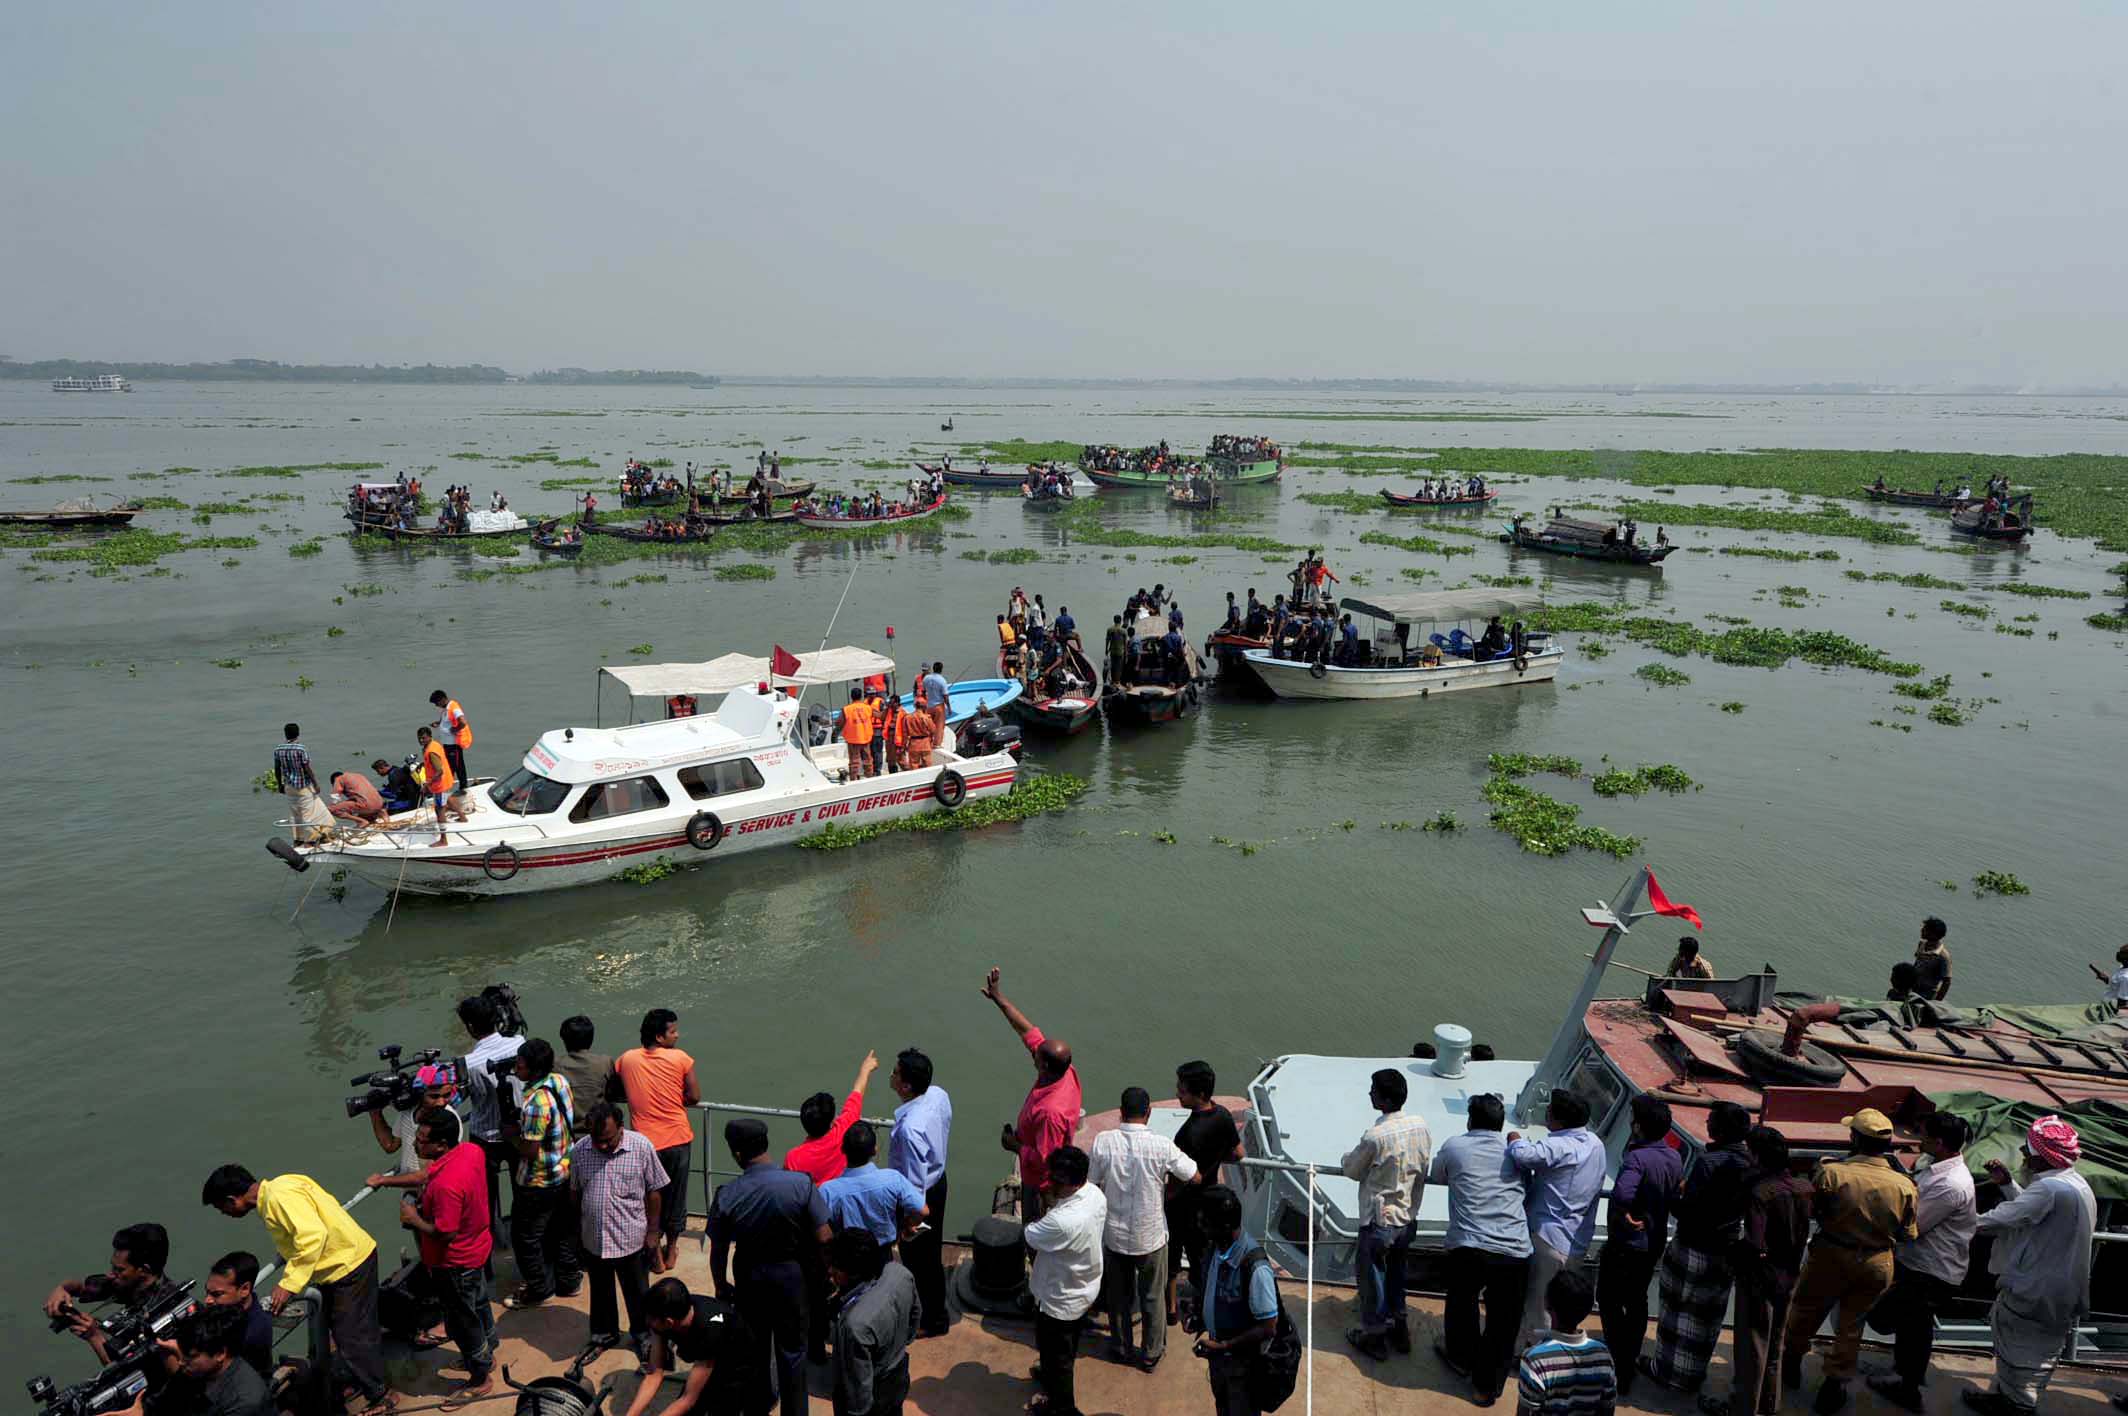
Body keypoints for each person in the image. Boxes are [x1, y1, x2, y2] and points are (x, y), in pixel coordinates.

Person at [200, 1165, 391, 1416]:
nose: (224, 1213)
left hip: (347, 1265)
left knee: (352, 1335)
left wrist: (288, 1284)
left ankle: (382, 1396)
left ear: (231, 1199)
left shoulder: (278, 1200)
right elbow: (321, 1211)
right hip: (345, 1257)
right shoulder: (284, 1183)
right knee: (343, 1331)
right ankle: (356, 1380)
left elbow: (312, 1236)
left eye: (221, 1208)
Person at [1778, 1108, 1918, 1415]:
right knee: (1852, 1324)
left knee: (1805, 1310)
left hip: (1831, 1254)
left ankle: (1790, 1362)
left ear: (1854, 1138)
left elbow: (1814, 1211)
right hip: (1876, 1262)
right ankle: (1835, 1384)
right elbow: (1908, 1233)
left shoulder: (1833, 1173)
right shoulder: (1904, 1185)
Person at [1965, 1115, 2097, 1416]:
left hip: (2035, 1287)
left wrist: (1957, 1224)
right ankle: (2013, 1398)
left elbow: (2005, 1217)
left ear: (2040, 1158)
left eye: (2026, 1153)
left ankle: (2017, 1405)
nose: (2023, 1158)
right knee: (2038, 1350)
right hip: (2060, 1288)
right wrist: (2008, 1183)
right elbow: (2031, 1210)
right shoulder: (2072, 1183)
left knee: (2018, 1344)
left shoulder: (2050, 1189)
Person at [709, 1118, 831, 1416]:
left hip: (750, 1278)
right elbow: (825, 1236)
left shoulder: (727, 1194)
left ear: (737, 1154)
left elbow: (718, 1249)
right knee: (793, 1352)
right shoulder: (801, 1183)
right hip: (791, 1278)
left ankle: (759, 1404)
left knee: (755, 1349)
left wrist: (721, 1285)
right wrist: (823, 1274)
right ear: (765, 1144)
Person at [1864, 1111, 1978, 1412]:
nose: (1919, 1140)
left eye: (1924, 1135)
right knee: (1912, 1325)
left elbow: (1913, 1226)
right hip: (1921, 1264)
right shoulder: (1938, 1168)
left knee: (1897, 1321)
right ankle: (1904, 1377)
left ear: (1938, 1142)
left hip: (1931, 1270)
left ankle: (1909, 1388)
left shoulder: (1951, 1184)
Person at [1701, 1125, 1814, 1416]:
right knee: (1775, 1344)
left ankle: (1743, 1408)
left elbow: (1755, 1242)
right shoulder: (1805, 1188)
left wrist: (1735, 1255)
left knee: (1752, 1347)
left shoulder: (1760, 1193)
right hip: (1790, 1275)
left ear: (1756, 1155)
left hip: (1761, 1277)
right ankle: (1769, 1404)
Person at [1643, 1100, 1753, 1393]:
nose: (1707, 1124)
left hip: (1694, 1245)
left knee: (1676, 1311)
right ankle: (1694, 1374)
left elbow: (1690, 1210)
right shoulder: (1750, 1162)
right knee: (1706, 1317)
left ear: (1721, 1129)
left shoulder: (1708, 1163)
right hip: (1726, 1247)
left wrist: (1670, 1196)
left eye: (1711, 1120)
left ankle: (1668, 1374)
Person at [1432, 1092, 1533, 1406]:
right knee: (1504, 1323)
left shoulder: (1454, 1146)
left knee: (1462, 1304)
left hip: (1470, 1245)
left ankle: (1461, 1359)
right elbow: (1527, 1184)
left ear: (1470, 1120)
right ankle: (1486, 1389)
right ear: (1501, 1124)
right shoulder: (1516, 1151)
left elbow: (1438, 1176)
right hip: (1515, 1248)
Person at [1087, 1087, 1197, 1369]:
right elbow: (1193, 1175)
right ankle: (1151, 1352)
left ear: (1121, 1112)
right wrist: (1168, 1190)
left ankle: (1121, 1347)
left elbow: (1092, 1183)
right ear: (1148, 1113)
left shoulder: (1103, 1142)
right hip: (1150, 1235)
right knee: (1152, 1296)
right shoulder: (1162, 1146)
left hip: (1114, 1234)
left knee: (1118, 1297)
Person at [398, 1110, 495, 1407]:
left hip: (455, 1263)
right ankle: (486, 1352)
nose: (415, 1144)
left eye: (421, 1140)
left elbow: (444, 1233)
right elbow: (429, 1173)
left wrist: (414, 1218)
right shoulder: (470, 1151)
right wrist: (386, 1181)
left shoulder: (445, 1186)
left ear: (440, 1145)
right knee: (478, 1304)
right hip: (478, 1247)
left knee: (462, 1321)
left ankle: (479, 1377)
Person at [1340, 1068, 1432, 1361]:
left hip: (1379, 1221)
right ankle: (1399, 1328)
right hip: (1407, 1218)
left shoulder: (1375, 1137)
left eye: (1373, 1090)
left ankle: (1375, 1337)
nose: (1370, 1094)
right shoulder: (1421, 1126)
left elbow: (1353, 1170)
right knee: (1397, 1274)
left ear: (1383, 1099)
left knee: (1372, 1281)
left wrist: (1345, 1158)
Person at [1508, 1089, 1607, 1354]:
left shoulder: (1558, 1146)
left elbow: (1522, 1156)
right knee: (1561, 1304)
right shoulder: (1595, 1144)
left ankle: (1531, 1353)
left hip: (1549, 1238)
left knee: (1539, 1302)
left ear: (1557, 1119)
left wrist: (1514, 1138)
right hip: (1576, 1239)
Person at [982, 967, 1081, 1225]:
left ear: (1045, 1065)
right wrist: (999, 999)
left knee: (1036, 1231)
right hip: (1046, 1150)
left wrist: (1013, 1145)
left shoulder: (1050, 1113)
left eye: (1036, 1056)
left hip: (1041, 1184)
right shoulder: (1064, 1071)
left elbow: (1044, 1160)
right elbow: (1028, 1032)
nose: (1032, 1053)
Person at [1599, 1095, 1683, 1395]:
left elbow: (1622, 1194)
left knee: (1608, 1298)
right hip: (1653, 1242)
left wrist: (1625, 1214)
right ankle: (1629, 1359)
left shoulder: (1636, 1157)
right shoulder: (1674, 1156)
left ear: (1639, 1126)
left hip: (1626, 1243)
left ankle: (1617, 1358)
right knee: (1636, 1301)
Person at [571, 1102, 666, 1358]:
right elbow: (575, 1192)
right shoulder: (580, 1150)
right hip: (594, 1238)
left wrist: (653, 1232)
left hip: (631, 1238)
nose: (601, 1145)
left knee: (638, 1292)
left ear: (621, 1128)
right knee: (600, 1292)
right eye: (596, 1139)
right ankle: (603, 1335)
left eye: (607, 1140)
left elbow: (654, 1191)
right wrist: (577, 1232)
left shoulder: (641, 1147)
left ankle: (644, 1336)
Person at [1023, 1145, 1106, 1416]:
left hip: (1059, 1300)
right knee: (1063, 1349)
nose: (1049, 1183)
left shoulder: (1061, 1220)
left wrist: (1045, 1205)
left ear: (1068, 1182)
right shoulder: (1094, 1194)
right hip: (1083, 1285)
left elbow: (1032, 1235)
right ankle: (1050, 1375)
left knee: (1058, 1356)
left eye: (1054, 1180)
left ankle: (1062, 1407)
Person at [617, 1008, 700, 1274]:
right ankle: (672, 1247)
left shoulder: (627, 1059)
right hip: (677, 1139)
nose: (678, 1035)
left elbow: (615, 1087)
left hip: (643, 1143)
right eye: (673, 1031)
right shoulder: (681, 1059)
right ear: (659, 1037)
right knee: (676, 1195)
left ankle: (653, 1251)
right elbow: (695, 1096)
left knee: (648, 1198)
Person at [43, 1223, 185, 1367]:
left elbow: (128, 1373)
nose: (111, 1275)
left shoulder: (166, 1313)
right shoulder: (129, 1282)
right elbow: (84, 1288)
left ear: (144, 1270)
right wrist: (63, 1289)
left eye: (119, 1270)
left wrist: (94, 1336)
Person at [1194, 1184, 1280, 1416]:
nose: (1200, 1228)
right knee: (1223, 1407)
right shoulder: (1215, 1248)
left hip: (1243, 1368)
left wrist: (1224, 1346)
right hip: (1219, 1359)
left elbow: (1268, 1327)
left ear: (1225, 1226)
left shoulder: (1255, 1267)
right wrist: (1200, 1318)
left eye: (1205, 1224)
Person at [627, 1277, 769, 1416]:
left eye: (651, 1319)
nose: (647, 1321)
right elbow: (653, 1375)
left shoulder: (710, 1331)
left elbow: (688, 1400)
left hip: (738, 1366)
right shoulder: (667, 1312)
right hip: (707, 1359)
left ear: (669, 1323)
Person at [1170, 1061, 1244, 1328]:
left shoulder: (1189, 1134)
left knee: (1177, 1255)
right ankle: (1203, 1302)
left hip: (1185, 1205)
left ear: (1198, 1094)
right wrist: (1213, 1161)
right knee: (1204, 1256)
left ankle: (1178, 1309)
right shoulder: (1222, 1115)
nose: (1177, 1093)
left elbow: (1182, 1179)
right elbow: (1238, 1154)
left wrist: (1166, 1197)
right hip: (1209, 1200)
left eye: (1182, 1089)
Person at [509, 1039, 581, 1310]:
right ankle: (569, 1281)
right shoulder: (560, 1082)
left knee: (525, 1237)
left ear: (532, 1067)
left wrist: (511, 1136)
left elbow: (529, 1151)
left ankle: (539, 1289)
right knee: (562, 1230)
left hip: (538, 1180)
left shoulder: (536, 1103)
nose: (516, 1067)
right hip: (564, 1170)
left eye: (520, 1063)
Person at [886, 1047, 952, 1338]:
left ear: (906, 1085)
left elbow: (914, 1183)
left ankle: (932, 1320)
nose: (891, 1074)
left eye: (895, 1072)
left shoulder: (909, 1130)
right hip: (938, 1182)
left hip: (920, 1196)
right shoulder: (938, 1094)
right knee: (931, 1255)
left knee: (918, 1260)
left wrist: (911, 1222)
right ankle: (934, 1313)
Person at [825, 1231, 919, 1416]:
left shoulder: (855, 1324)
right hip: (898, 1375)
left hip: (875, 1392)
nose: (830, 1271)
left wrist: (855, 1411)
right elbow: (915, 1316)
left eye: (836, 1267)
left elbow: (858, 1385)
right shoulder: (899, 1273)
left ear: (853, 1273)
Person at [456, 993, 523, 1251]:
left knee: (486, 1198)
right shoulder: (519, 1043)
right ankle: (520, 1237)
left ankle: (496, 1241)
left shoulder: (469, 1063)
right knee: (521, 1189)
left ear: (471, 1027)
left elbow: (462, 1096)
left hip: (485, 1136)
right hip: (517, 1131)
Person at [1516, 1267, 1617, 1416]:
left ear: (1547, 1305)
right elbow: (1607, 1407)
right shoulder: (1603, 1354)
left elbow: (1525, 1411)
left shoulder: (1534, 1359)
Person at [820, 1122, 929, 1256]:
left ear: (843, 1150)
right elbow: (923, 1211)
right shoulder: (893, 1179)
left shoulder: (828, 1191)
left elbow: (822, 1232)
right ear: (875, 1150)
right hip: (882, 1254)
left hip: (846, 1258)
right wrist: (906, 1227)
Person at [154, 1307, 274, 1416]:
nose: (181, 1362)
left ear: (220, 1354)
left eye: (190, 1356)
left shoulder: (244, 1403)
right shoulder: (200, 1369)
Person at [787, 1049, 880, 1185]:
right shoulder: (844, 1129)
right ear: (832, 1122)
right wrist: (866, 1069)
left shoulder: (793, 1158)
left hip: (815, 1204)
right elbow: (857, 1092)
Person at [364, 1063, 464, 1189]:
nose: (441, 1102)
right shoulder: (408, 1112)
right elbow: (391, 1145)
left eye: (446, 1095)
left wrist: (383, 1180)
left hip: (434, 1192)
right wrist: (375, 1112)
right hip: (411, 1190)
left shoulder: (448, 1121)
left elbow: (426, 1175)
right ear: (421, 1094)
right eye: (434, 1096)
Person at [201, 1252, 276, 1378]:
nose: (207, 1300)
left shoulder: (253, 1332)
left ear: (245, 1289)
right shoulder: (223, 1312)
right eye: (207, 1292)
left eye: (217, 1294)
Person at [557, 1014, 626, 1125]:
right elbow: (614, 1095)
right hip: (599, 1129)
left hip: (567, 1132)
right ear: (591, 1038)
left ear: (564, 1039)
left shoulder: (555, 1064)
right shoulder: (604, 1062)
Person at [272, 723, 330, 844]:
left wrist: (280, 785)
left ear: (285, 734)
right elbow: (306, 768)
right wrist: (315, 783)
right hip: (302, 786)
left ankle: (298, 839)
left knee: (295, 813)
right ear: (298, 733)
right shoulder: (300, 749)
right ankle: (311, 840)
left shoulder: (278, 749)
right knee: (308, 813)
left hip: (289, 786)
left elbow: (277, 769)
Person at [415, 726, 461, 847]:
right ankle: (462, 816)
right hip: (446, 780)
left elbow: (439, 771)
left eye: (423, 738)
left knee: (439, 809)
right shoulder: (434, 745)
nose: (421, 740)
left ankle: (443, 839)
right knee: (448, 799)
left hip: (439, 784)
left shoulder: (431, 752)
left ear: (430, 737)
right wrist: (422, 764)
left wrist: (427, 784)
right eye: (419, 738)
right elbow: (436, 762)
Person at [427, 689, 473, 789]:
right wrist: (438, 723)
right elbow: (446, 720)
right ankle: (456, 786)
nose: (436, 705)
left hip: (454, 745)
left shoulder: (454, 707)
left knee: (454, 767)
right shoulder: (446, 709)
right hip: (447, 745)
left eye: (436, 703)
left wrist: (455, 729)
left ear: (442, 699)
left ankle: (458, 787)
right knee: (454, 765)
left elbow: (463, 722)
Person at [1912, 918, 1953, 1001]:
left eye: (1925, 929)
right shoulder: (1922, 944)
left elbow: (1947, 981)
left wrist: (1937, 1002)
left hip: (1927, 996)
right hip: (1913, 990)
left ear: (1933, 934)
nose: (1922, 930)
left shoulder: (1943, 956)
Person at [841, 687, 873, 782]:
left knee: (854, 761)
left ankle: (853, 779)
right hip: (866, 737)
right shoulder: (867, 708)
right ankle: (870, 777)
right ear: (861, 696)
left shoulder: (846, 709)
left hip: (852, 739)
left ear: (851, 696)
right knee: (868, 760)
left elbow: (839, 722)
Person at [2090, 943, 2128, 1011]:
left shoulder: (2126, 977)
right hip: (2106, 1006)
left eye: (2122, 953)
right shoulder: (2123, 968)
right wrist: (2106, 979)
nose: (2118, 954)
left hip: (2110, 1010)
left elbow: (2122, 1004)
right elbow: (2118, 986)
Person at [921, 663, 950, 740]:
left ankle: (928, 740)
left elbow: (923, 692)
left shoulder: (926, 678)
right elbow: (945, 696)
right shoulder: (942, 680)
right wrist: (949, 707)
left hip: (929, 705)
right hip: (938, 706)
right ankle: (936, 743)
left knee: (929, 725)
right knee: (939, 726)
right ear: (941, 669)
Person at [1104, 615, 1130, 686]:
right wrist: (1126, 654)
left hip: (1112, 651)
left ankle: (1113, 681)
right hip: (1120, 651)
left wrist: (1106, 649)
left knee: (1113, 665)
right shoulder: (1124, 631)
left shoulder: (1110, 629)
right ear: (1121, 621)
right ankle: (1117, 682)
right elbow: (1125, 643)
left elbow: (1107, 640)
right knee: (1119, 667)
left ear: (1114, 620)